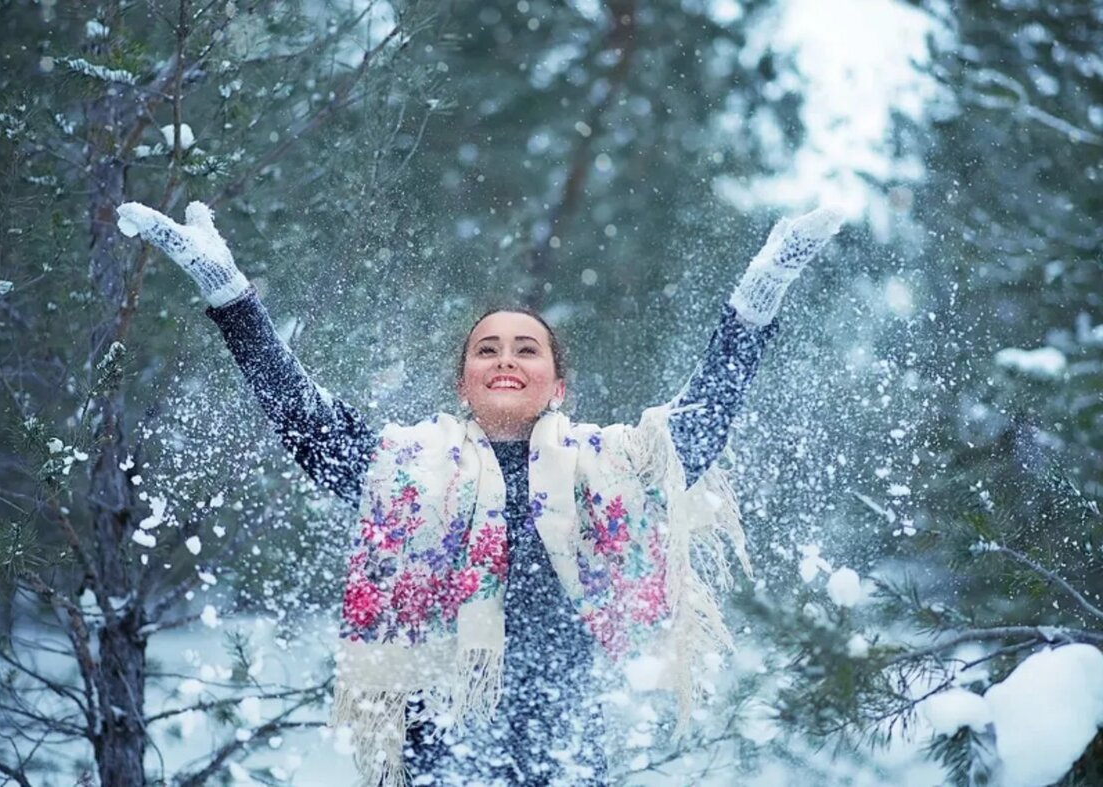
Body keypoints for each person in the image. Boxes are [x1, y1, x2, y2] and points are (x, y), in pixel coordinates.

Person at [116, 199, 843, 786]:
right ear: (461, 383)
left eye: (526, 348)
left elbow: (703, 419)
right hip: (443, 765)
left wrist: (760, 292)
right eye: (486, 349)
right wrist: (230, 296)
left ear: (559, 385)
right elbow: (305, 421)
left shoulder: (610, 468)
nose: (505, 358)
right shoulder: (409, 470)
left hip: (566, 762)